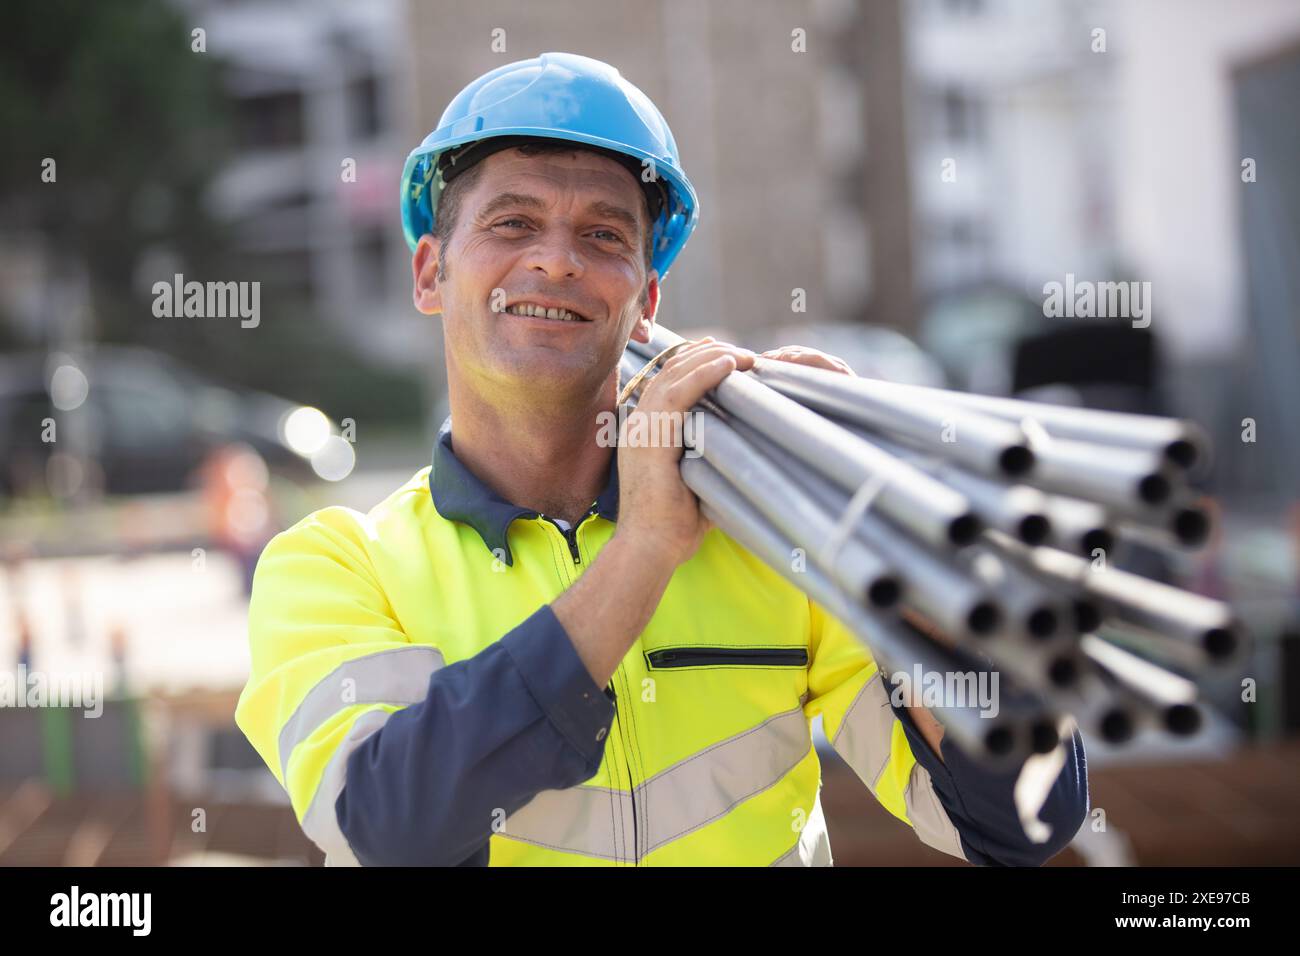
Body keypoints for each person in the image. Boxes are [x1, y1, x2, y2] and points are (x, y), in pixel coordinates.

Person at [235, 52, 1087, 866]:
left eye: (604, 235)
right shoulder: (338, 569)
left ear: (645, 302)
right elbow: (392, 828)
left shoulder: (769, 535)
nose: (558, 258)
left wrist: (900, 555)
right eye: (512, 222)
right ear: (430, 273)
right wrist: (642, 550)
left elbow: (1022, 820)